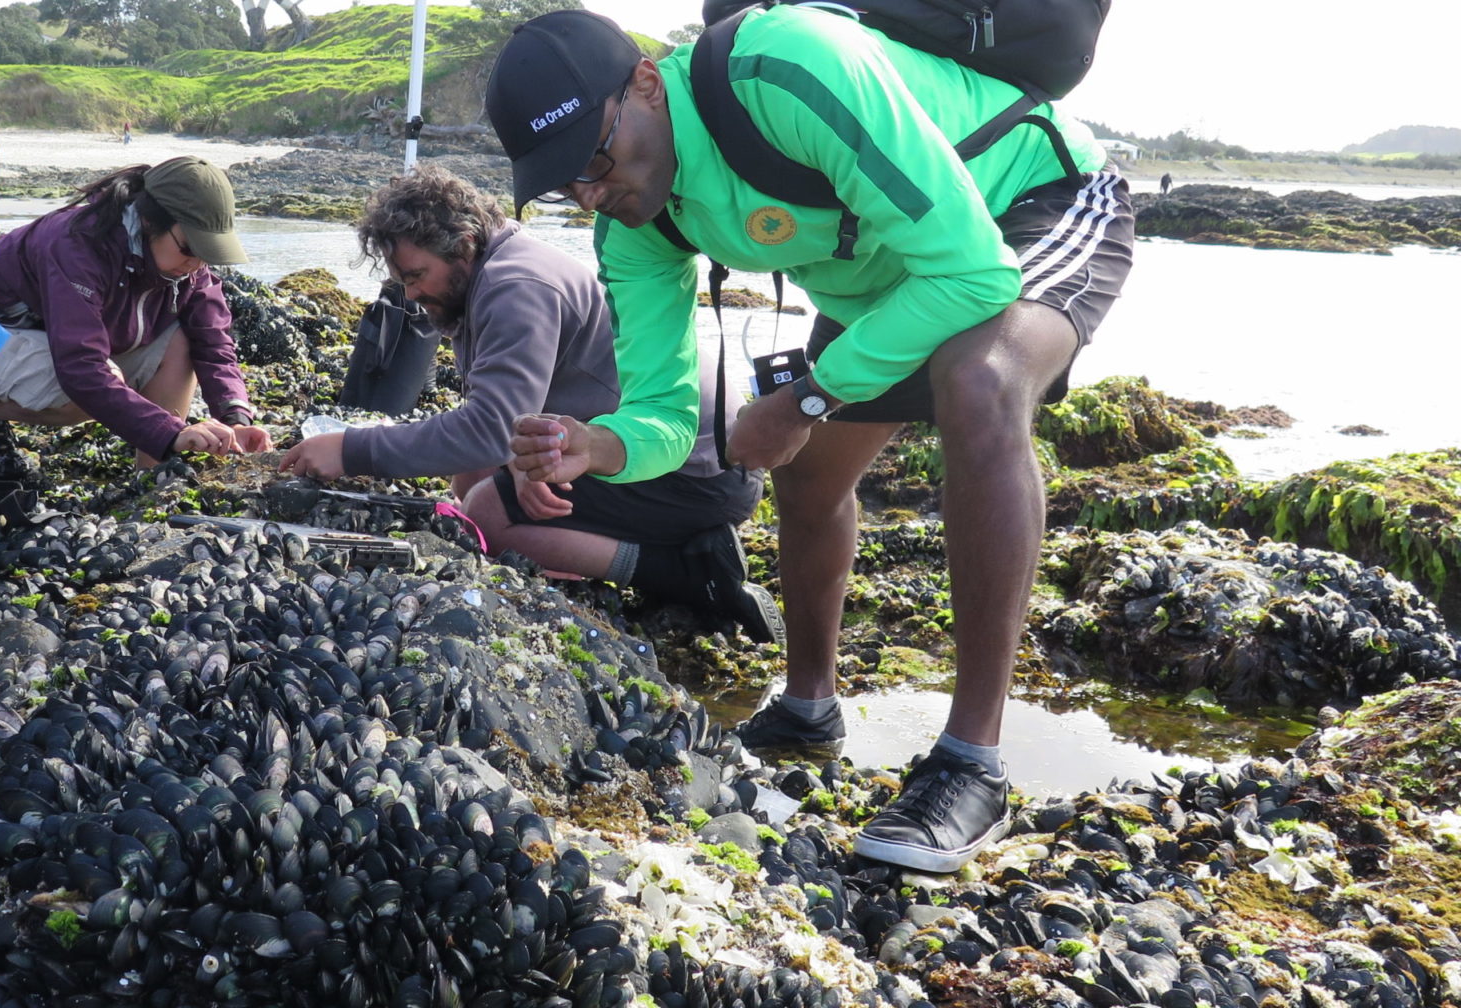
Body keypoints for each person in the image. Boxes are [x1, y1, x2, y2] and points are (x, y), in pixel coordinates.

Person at [486, 9, 1134, 871]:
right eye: (566, 183)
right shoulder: (634, 222)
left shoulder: (787, 69)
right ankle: (807, 704)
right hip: (891, 269)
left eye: (596, 162)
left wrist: (809, 397)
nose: (592, 195)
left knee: (979, 385)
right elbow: (666, 417)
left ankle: (972, 762)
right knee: (810, 475)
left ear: (646, 81)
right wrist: (599, 446)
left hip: (1025, 201)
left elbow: (975, 272)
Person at [278, 168, 778, 639]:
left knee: (488, 516)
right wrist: (516, 460)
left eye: (416, 276)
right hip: (639, 444)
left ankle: (690, 571)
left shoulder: (516, 286)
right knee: (470, 491)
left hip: (700, 472)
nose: (411, 295)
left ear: (464, 244)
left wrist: (352, 450)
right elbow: (500, 421)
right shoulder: (491, 268)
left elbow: (488, 429)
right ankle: (612, 546)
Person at [0, 155, 271, 477]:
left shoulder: (189, 269)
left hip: (46, 339)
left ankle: (153, 475)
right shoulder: (77, 243)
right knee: (85, 392)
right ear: (150, 220)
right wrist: (172, 432)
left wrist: (235, 418)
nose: (196, 262)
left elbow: (214, 342)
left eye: (207, 251)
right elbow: (81, 368)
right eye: (190, 247)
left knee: (182, 340)